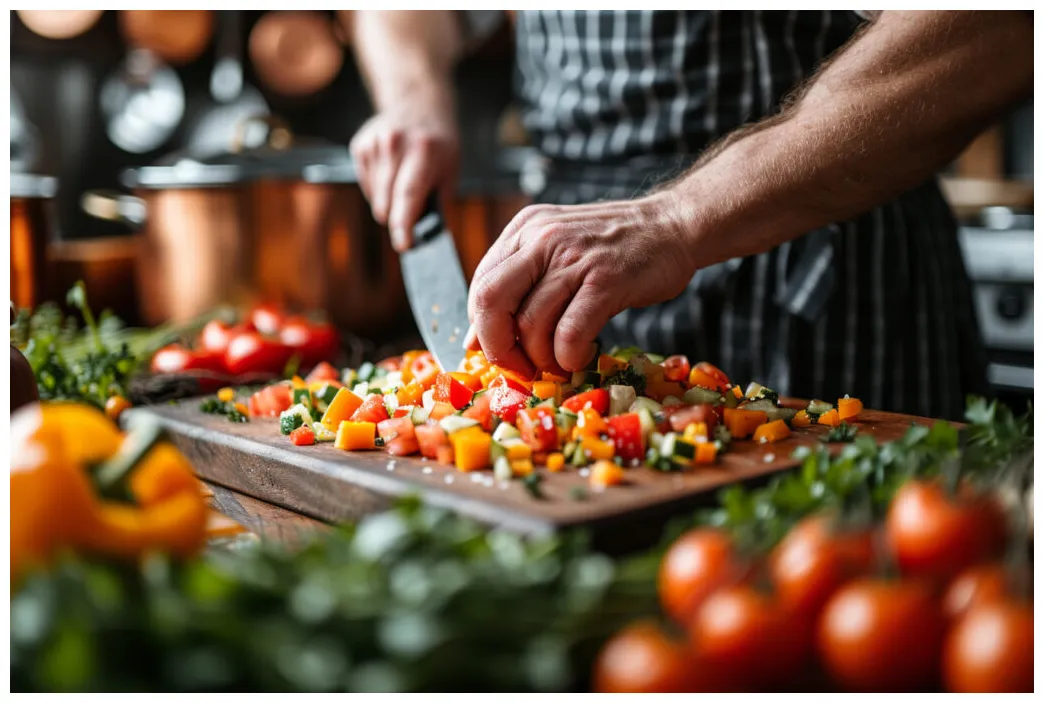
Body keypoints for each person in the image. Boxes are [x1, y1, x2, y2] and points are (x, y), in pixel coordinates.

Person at [349, 10, 1032, 420]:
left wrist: (674, 220)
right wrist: (412, 96)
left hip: (824, 273)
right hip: (573, 269)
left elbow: (993, 25)